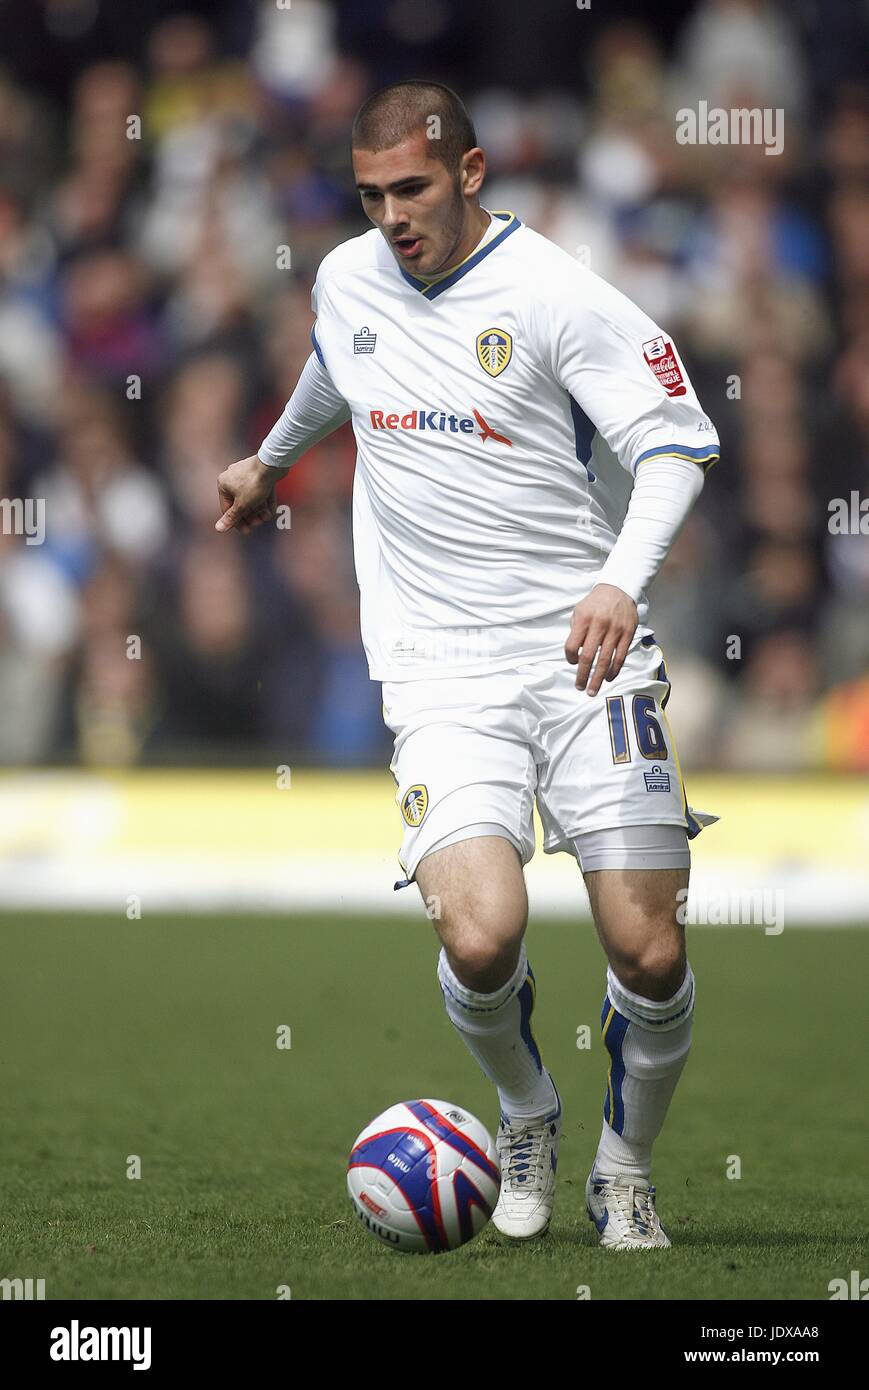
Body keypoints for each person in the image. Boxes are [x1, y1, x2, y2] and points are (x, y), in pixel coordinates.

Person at [215, 80, 720, 1250]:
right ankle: (526, 1112)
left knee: (647, 950)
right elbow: (343, 363)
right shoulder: (347, 277)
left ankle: (623, 1168)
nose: (390, 215)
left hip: (584, 654)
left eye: (412, 188)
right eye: (370, 193)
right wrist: (271, 459)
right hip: (439, 666)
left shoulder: (553, 293)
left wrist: (617, 581)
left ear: (472, 171)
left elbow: (679, 442)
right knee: (479, 934)